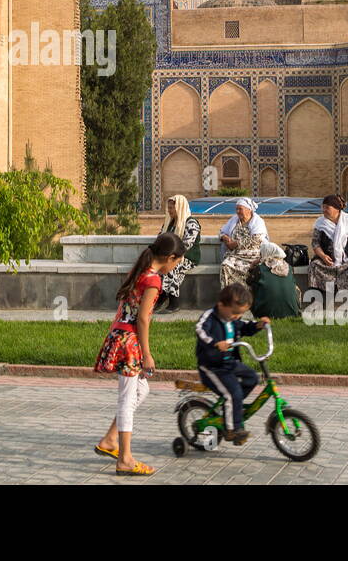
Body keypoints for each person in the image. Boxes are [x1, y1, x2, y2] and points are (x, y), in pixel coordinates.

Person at [93, 232, 185, 477]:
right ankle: (125, 459)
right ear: (170, 257)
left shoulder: (139, 270)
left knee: (141, 390)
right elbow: (143, 319)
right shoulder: (154, 280)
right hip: (130, 342)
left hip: (118, 335)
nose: (175, 266)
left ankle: (110, 440)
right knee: (126, 398)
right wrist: (147, 353)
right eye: (177, 262)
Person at [194, 283, 270, 444]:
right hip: (212, 367)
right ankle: (232, 430)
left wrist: (258, 325)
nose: (237, 316)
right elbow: (200, 330)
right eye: (235, 313)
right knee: (232, 393)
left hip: (230, 363)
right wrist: (215, 343)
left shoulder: (232, 319)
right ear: (221, 305)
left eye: (240, 314)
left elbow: (243, 327)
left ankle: (233, 407)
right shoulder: (210, 316)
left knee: (252, 378)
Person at [309, 193, 348, 311]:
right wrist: (322, 256)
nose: (324, 210)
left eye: (327, 207)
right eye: (323, 207)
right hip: (328, 262)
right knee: (314, 265)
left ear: (336, 209)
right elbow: (315, 243)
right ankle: (316, 304)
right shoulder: (320, 223)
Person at [156, 194, 201, 314]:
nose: (169, 210)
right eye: (169, 208)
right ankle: (161, 296)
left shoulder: (191, 223)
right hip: (170, 256)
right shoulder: (169, 223)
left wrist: (172, 257)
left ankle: (173, 302)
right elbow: (160, 238)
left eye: (172, 208)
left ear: (180, 208)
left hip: (188, 257)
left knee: (171, 267)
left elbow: (187, 244)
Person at [217, 197, 269, 289]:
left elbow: (257, 239)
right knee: (225, 265)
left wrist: (236, 243)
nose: (237, 211)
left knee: (251, 270)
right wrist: (225, 237)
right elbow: (222, 231)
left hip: (253, 256)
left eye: (240, 209)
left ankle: (246, 295)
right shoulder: (234, 220)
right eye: (236, 209)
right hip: (235, 254)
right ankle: (230, 296)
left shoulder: (258, 221)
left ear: (249, 210)